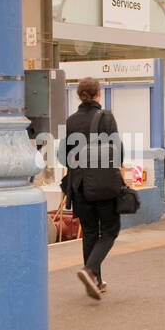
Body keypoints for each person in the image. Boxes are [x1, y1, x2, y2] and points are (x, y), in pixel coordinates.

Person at [60, 77, 121, 299]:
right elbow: (118, 152)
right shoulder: (106, 117)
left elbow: (64, 156)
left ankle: (95, 280)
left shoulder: (71, 121)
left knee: (88, 231)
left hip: (79, 186)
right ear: (98, 94)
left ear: (79, 95)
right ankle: (89, 270)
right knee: (110, 230)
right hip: (103, 185)